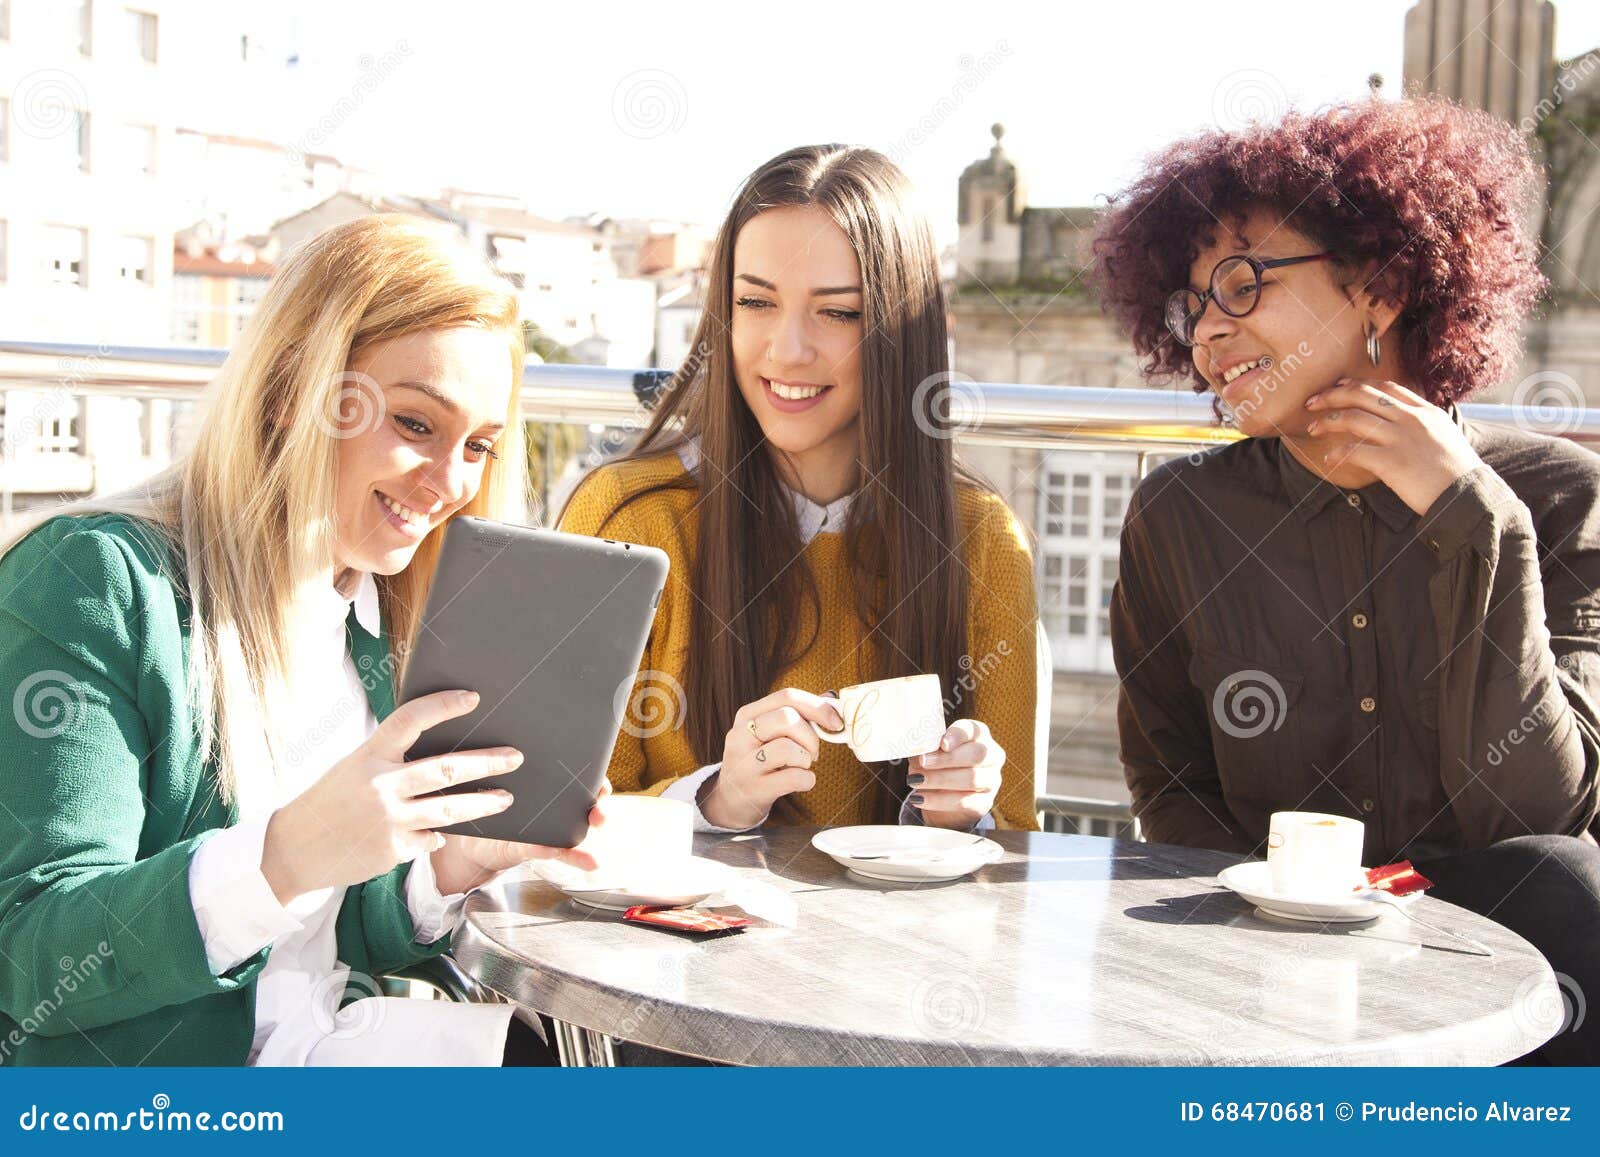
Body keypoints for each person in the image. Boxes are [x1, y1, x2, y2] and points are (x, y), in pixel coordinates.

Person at [0, 215, 605, 1067]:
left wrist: (450, 864)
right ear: (293, 389)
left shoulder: (378, 610)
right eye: (416, 424)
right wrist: (284, 857)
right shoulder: (93, 580)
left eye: (478, 446)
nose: (451, 484)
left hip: (328, 1049)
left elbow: (335, 929)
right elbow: (29, 953)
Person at [1092, 97, 1600, 1064]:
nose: (1207, 333)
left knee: (1572, 883)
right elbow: (1173, 781)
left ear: (1378, 284)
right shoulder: (1182, 516)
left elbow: (1540, 820)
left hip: (1509, 965)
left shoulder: (1554, 499)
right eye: (1190, 303)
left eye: (1240, 284)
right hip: (1262, 955)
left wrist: (1472, 518)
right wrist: (1279, 911)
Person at [559, 144, 1039, 836]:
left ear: (902, 331)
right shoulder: (626, 515)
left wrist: (967, 815)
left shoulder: (983, 543)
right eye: (755, 301)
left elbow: (1013, 855)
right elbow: (559, 820)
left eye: (837, 313)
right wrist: (719, 800)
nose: (787, 349)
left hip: (890, 944)